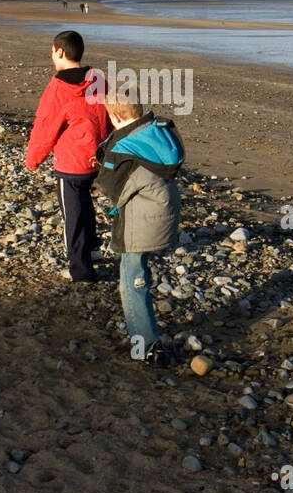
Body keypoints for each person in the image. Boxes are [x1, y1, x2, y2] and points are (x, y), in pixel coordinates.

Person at [95, 95, 184, 366]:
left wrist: (102, 168)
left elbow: (109, 187)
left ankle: (145, 344)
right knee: (138, 273)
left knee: (132, 282)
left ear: (116, 118)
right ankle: (144, 338)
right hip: (160, 214)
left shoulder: (125, 147)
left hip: (139, 221)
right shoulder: (156, 133)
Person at [25, 31, 109, 282]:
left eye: (52, 51)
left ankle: (80, 270)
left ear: (59, 52)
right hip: (96, 157)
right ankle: (92, 249)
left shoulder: (58, 88)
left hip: (71, 163)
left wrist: (33, 159)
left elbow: (45, 127)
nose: (52, 55)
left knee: (72, 216)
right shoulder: (98, 79)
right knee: (84, 203)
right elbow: (111, 115)